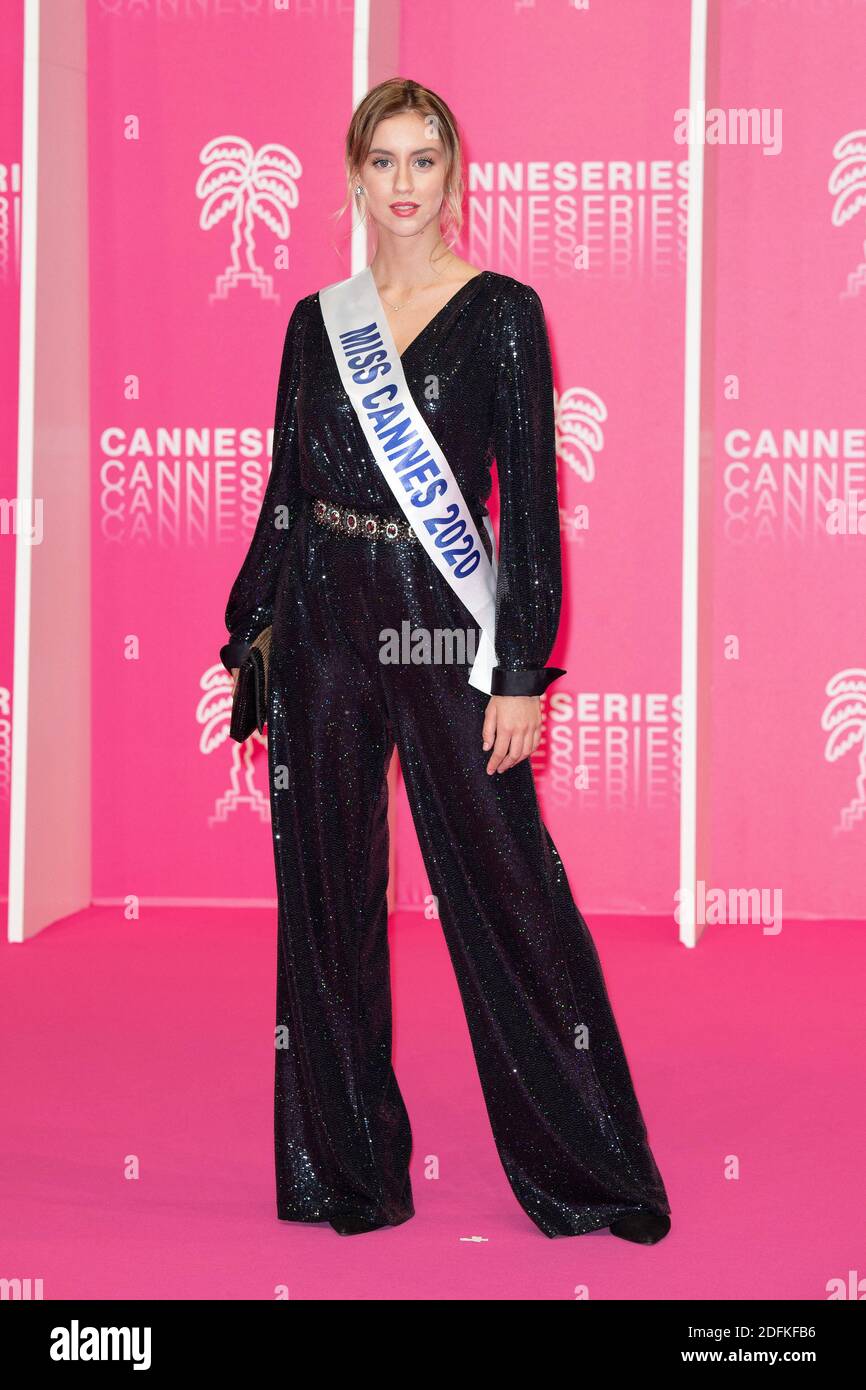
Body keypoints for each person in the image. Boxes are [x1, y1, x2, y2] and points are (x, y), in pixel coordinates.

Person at [219, 78, 671, 1243]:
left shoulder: (502, 313)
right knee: (322, 895)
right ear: (354, 177)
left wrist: (520, 665)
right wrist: (251, 625)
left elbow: (527, 507)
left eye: (426, 161)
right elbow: (285, 491)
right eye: (384, 162)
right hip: (321, 617)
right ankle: (342, 1168)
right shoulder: (317, 321)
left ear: (454, 175)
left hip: (441, 623)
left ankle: (591, 1169)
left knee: (508, 887)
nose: (405, 185)